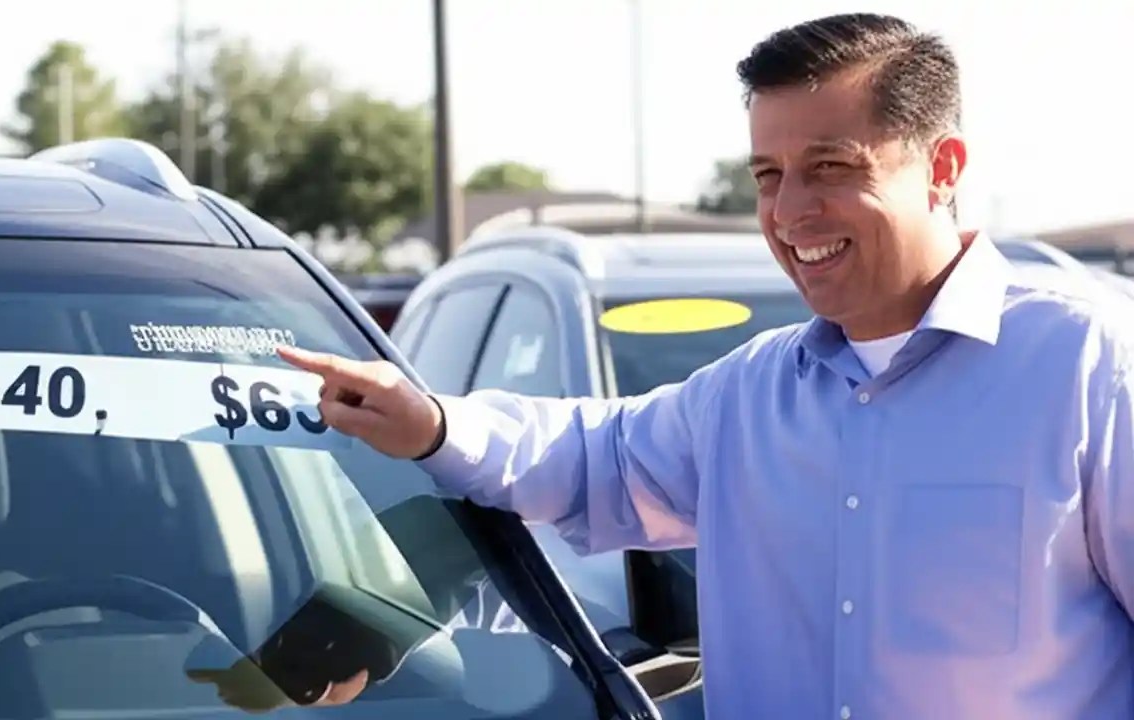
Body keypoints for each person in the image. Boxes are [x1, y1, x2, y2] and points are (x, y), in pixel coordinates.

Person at [277, 12, 1134, 719]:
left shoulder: (1088, 366)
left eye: (830, 168)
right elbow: (592, 456)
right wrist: (432, 424)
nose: (790, 212)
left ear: (942, 168)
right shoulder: (748, 396)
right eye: (768, 175)